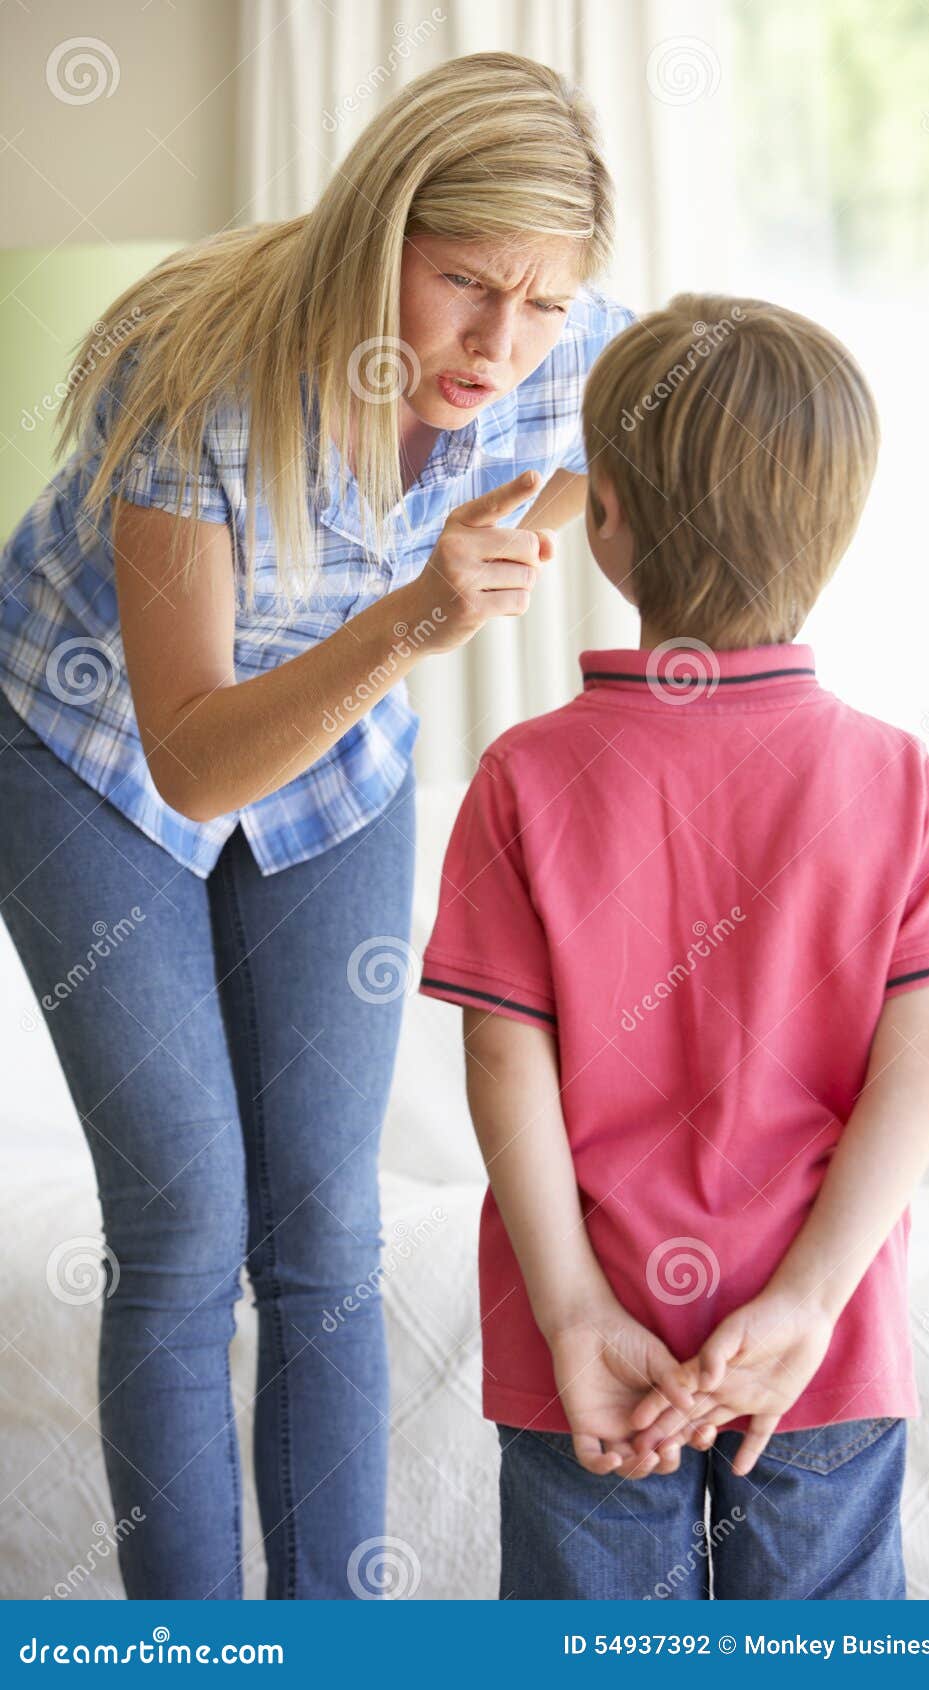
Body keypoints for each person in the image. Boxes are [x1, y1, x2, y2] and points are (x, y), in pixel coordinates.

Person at [0, 51, 636, 1599]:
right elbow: (195, 758)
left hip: (339, 755)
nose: (502, 342)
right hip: (93, 743)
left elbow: (623, 432)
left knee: (325, 1230)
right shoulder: (199, 372)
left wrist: (513, 530)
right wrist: (421, 614)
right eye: (467, 281)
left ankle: (333, 1644)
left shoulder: (569, 350)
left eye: (543, 299)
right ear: (380, 229)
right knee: (184, 1218)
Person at [417, 292, 929, 1600]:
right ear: (836, 529)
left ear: (606, 515)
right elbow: (923, 1071)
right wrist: (808, 1300)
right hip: (817, 1351)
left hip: (587, 1346)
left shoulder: (523, 777)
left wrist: (574, 1309)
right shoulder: (894, 777)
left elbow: (504, 1066)